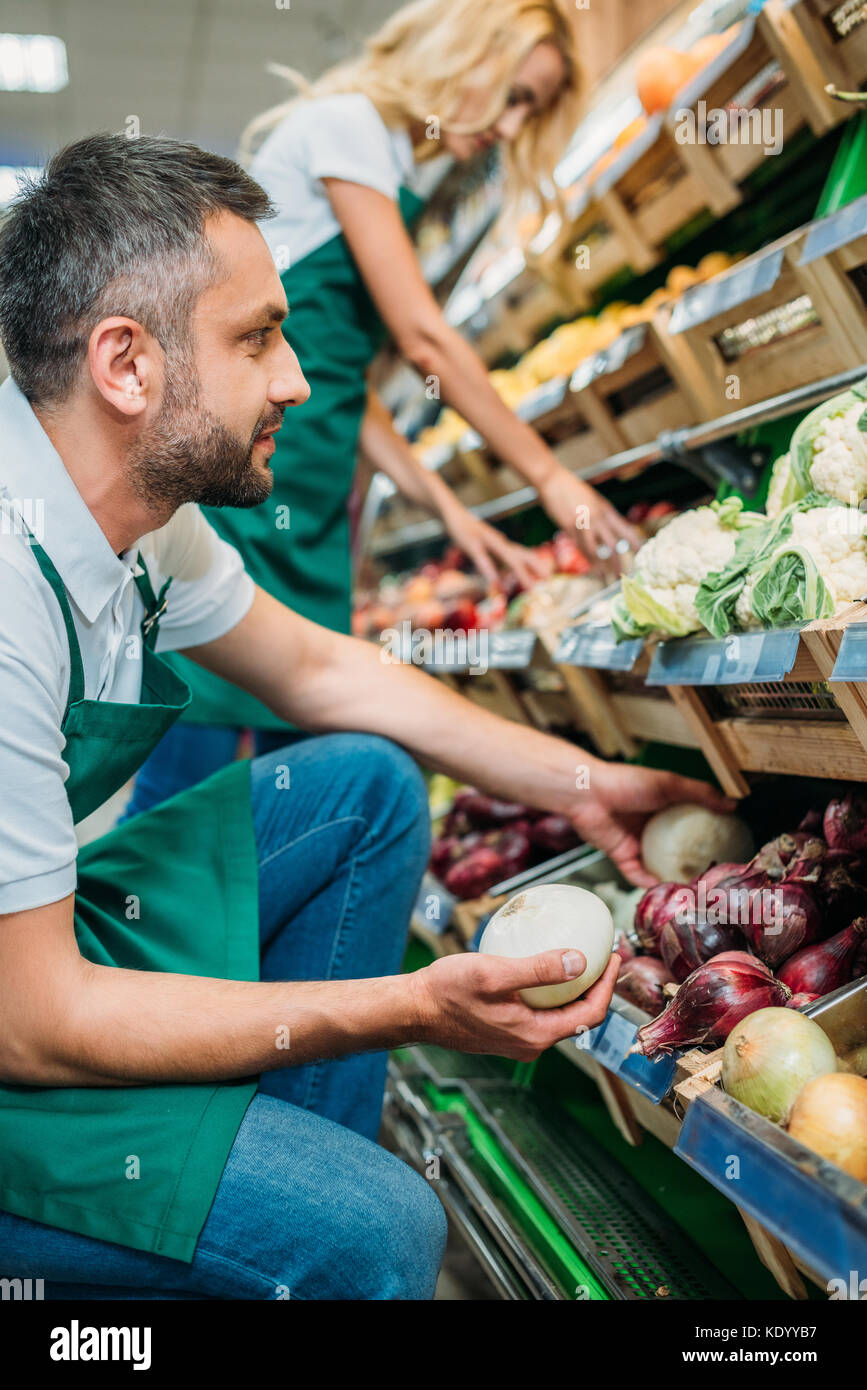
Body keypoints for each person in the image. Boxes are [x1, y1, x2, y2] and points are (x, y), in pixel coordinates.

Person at [0, 133, 730, 1300]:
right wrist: (414, 1008)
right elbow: (36, 1025)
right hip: (17, 1027)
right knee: (385, 1228)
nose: (297, 379)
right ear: (125, 366)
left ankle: (250, 1203)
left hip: (30, 967)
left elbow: (327, 675)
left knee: (367, 784)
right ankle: (269, 1223)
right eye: (258, 338)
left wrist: (592, 783)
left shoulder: (138, 519)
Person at [123, 0, 640, 817]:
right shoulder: (350, 127)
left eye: (531, 110)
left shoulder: (395, 166)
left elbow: (340, 378)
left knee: (313, 739)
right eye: (513, 92)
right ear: (463, 53)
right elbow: (423, 339)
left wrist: (446, 508)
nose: (510, 126)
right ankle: (137, 923)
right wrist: (550, 479)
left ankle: (267, 920)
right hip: (256, 483)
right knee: (209, 732)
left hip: (312, 498)